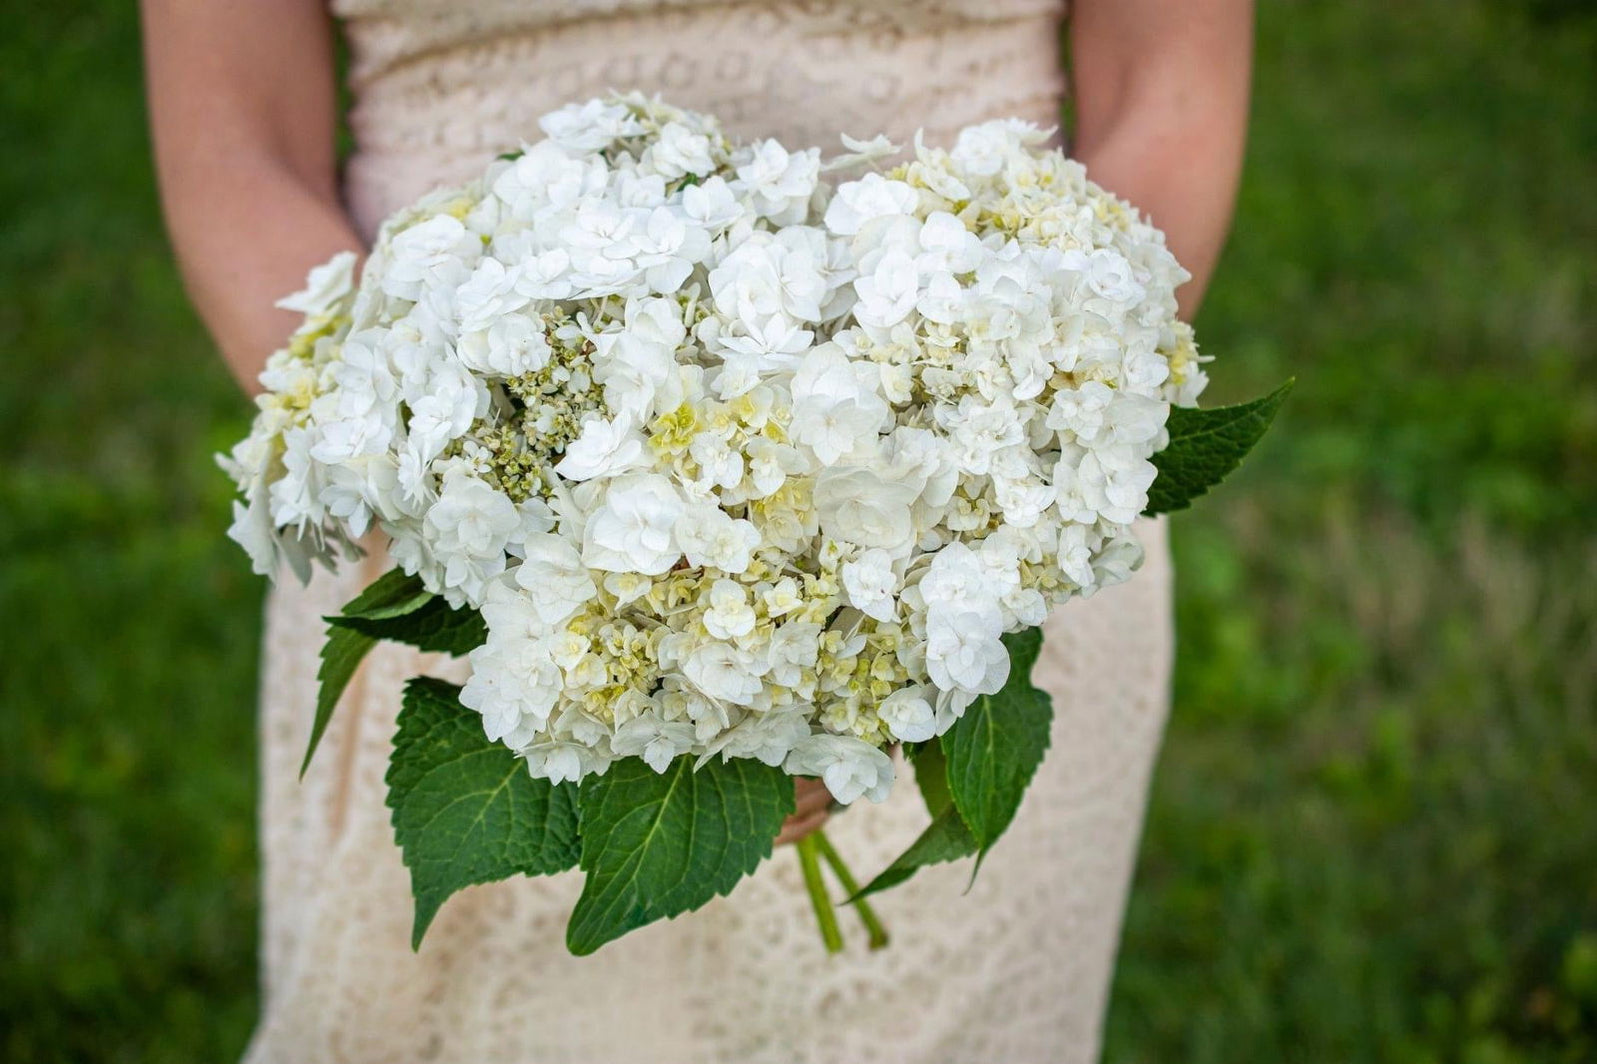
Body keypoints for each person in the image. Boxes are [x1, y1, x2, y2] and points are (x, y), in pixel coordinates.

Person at [142, 1, 1252, 1060]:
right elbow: (239, 147)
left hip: (974, 525)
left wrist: (1011, 473)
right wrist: (448, 495)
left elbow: (1169, 85)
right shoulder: (461, 505)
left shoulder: (985, 526)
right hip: (472, 516)